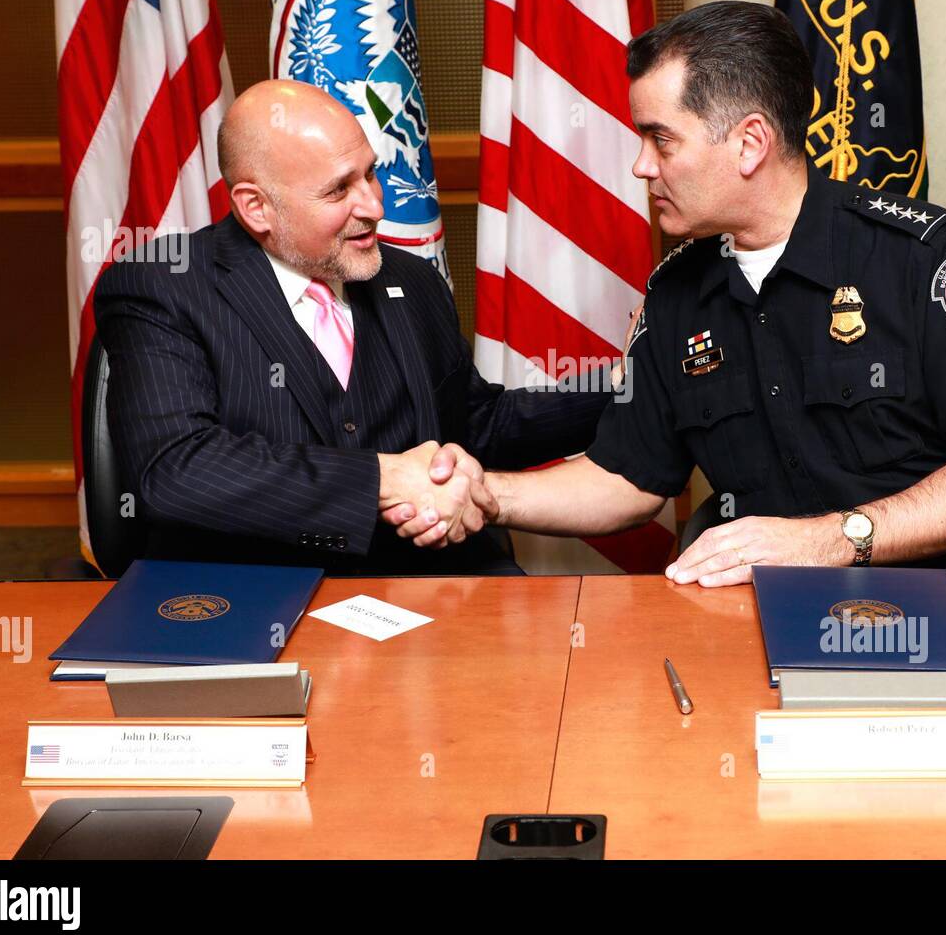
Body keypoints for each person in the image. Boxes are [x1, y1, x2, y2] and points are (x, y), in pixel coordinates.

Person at [388, 1, 946, 584]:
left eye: (662, 140)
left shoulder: (925, 258)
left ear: (749, 145)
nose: (640, 166)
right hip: (773, 617)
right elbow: (629, 479)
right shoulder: (679, 292)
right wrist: (486, 493)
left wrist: (827, 541)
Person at [94, 79, 613, 575]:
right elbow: (179, 470)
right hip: (250, 591)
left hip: (424, 581)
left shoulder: (410, 281)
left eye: (369, 174)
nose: (374, 206)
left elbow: (476, 423)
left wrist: (627, 385)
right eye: (339, 191)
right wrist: (385, 479)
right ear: (257, 208)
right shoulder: (162, 287)